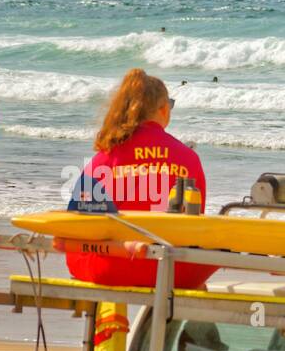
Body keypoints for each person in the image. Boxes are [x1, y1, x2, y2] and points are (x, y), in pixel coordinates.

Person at [65, 68, 209, 288]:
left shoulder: (104, 158)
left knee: (86, 250)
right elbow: (195, 224)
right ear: (163, 109)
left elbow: (80, 223)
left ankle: (111, 316)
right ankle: (178, 321)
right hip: (173, 271)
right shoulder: (188, 158)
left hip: (112, 267)